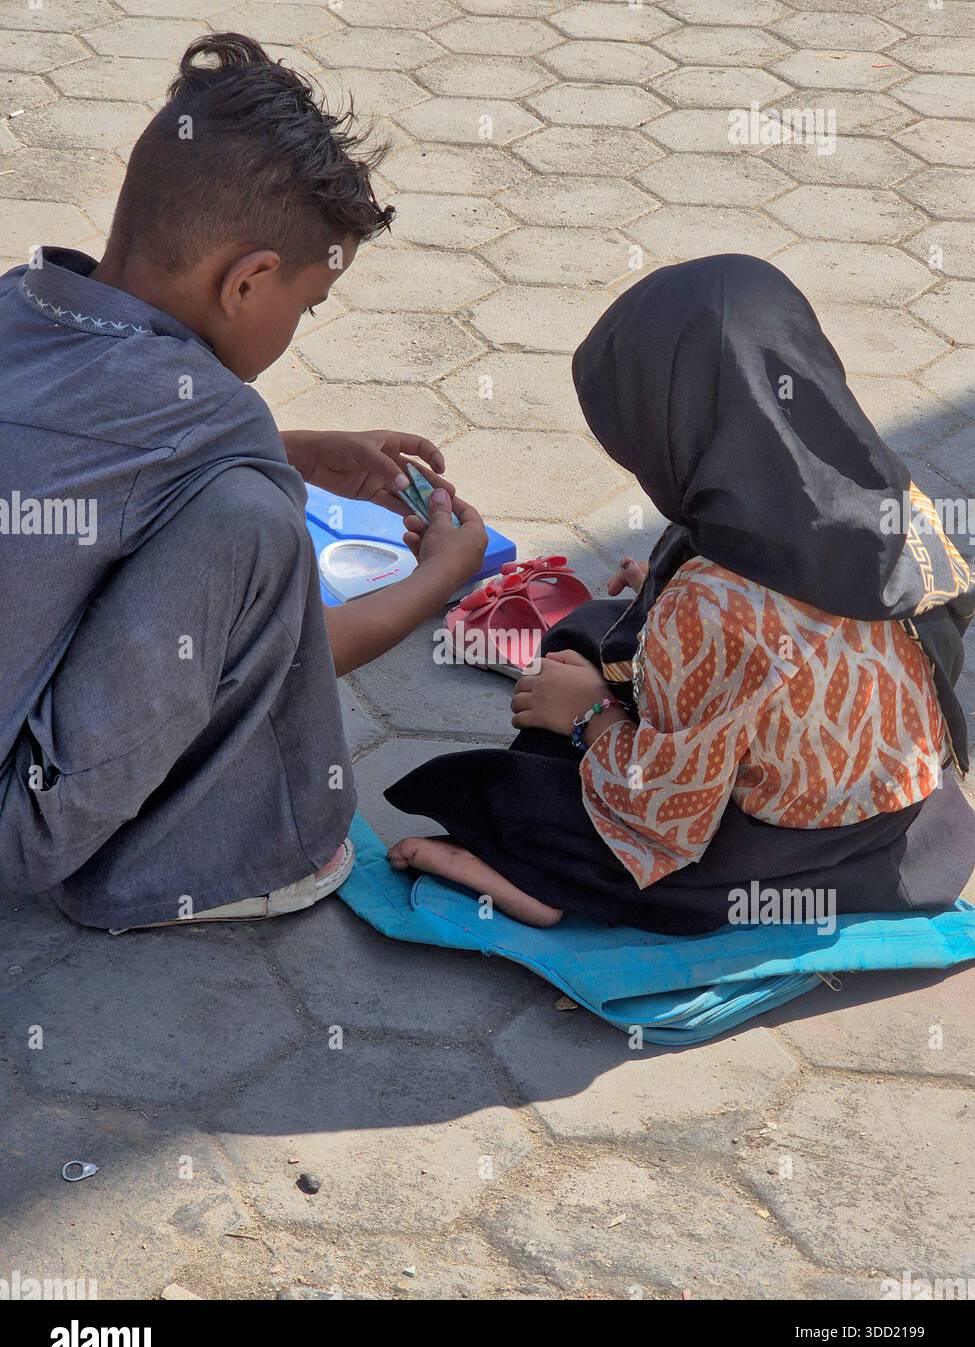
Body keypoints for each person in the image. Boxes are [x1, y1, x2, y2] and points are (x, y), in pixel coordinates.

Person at [0, 33, 486, 931]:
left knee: (242, 491)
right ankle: (218, 863)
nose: (298, 323)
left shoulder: (19, 302)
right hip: (14, 823)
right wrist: (438, 579)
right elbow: (299, 650)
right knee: (250, 522)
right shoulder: (213, 421)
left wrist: (293, 448)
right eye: (305, 306)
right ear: (249, 280)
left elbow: (89, 463)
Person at [386, 255, 975, 931]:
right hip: (906, 818)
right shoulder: (890, 499)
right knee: (595, 629)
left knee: (514, 779)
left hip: (782, 846)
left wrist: (587, 716)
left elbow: (664, 812)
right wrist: (662, 600)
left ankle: (548, 884)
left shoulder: (709, 606)